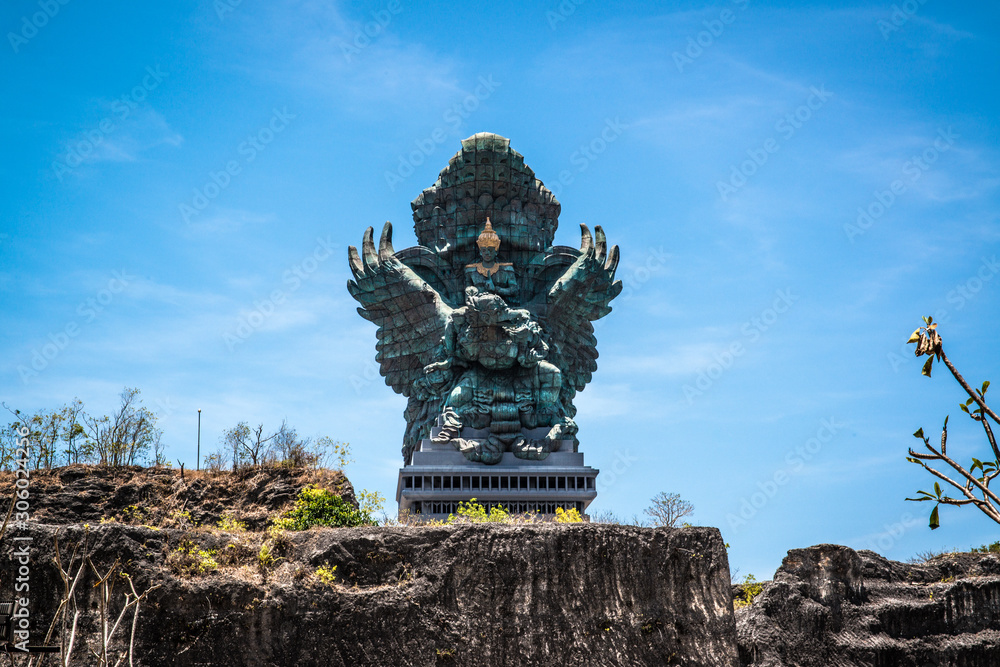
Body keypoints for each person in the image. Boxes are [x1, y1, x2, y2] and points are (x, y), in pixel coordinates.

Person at [464, 219, 517, 301]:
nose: (487, 253)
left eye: (490, 250)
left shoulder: (506, 270)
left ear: (496, 252)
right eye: (484, 250)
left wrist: (496, 289)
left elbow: (514, 290)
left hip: (501, 307)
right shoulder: (471, 271)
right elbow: (467, 294)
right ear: (480, 252)